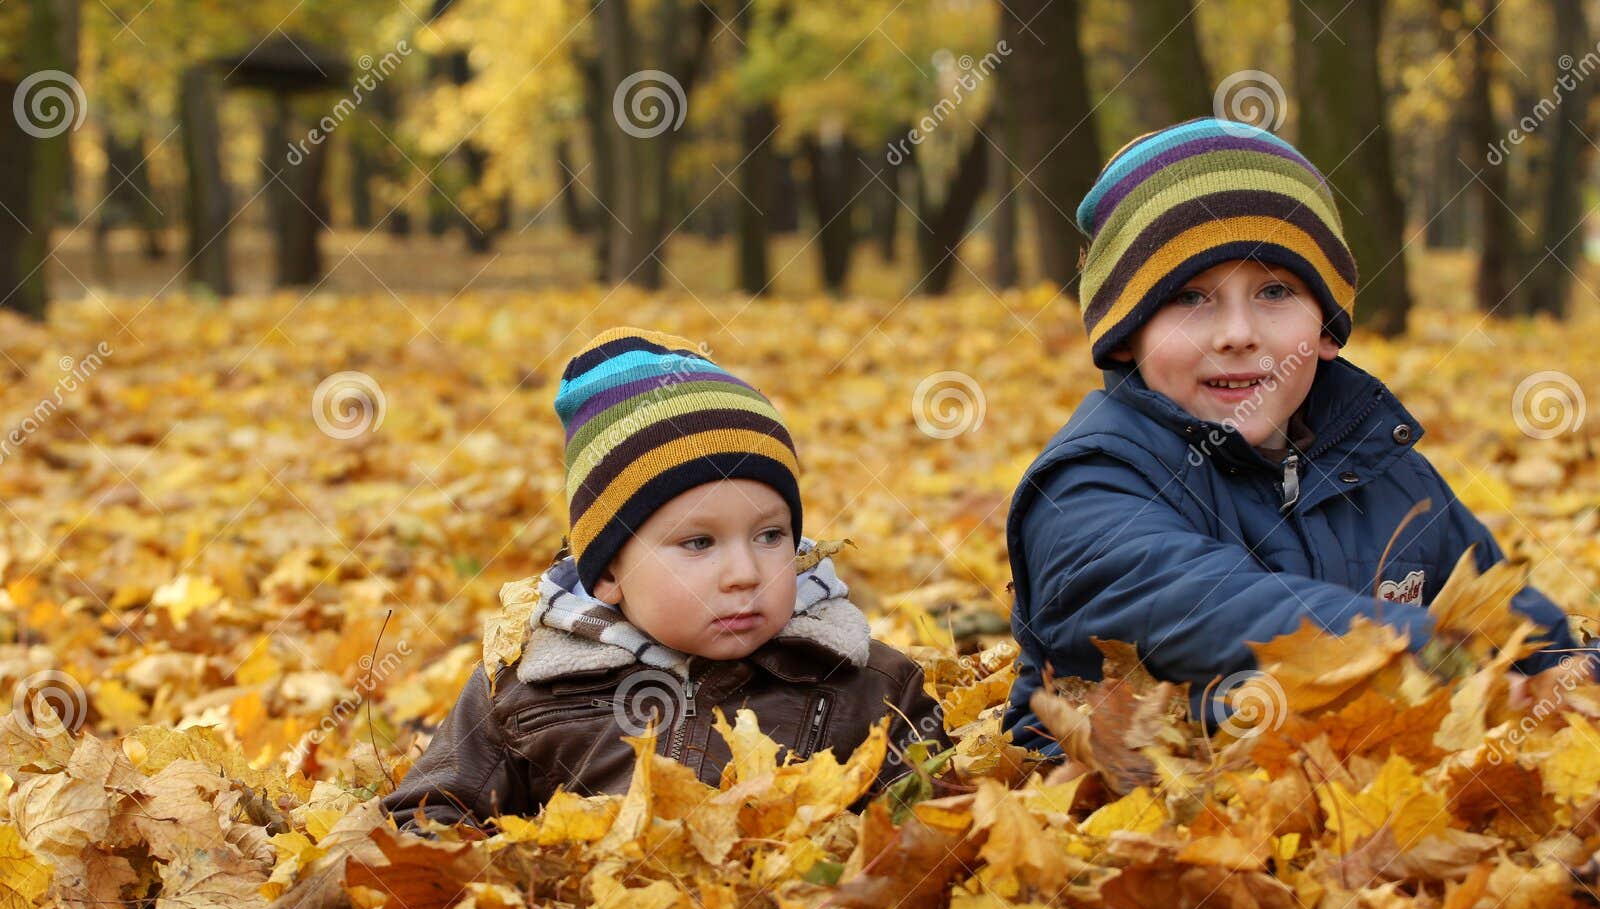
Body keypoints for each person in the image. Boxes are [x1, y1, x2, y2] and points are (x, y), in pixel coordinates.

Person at [1004, 118, 1594, 754]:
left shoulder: (1385, 471)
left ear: (1327, 331)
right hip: (1137, 829)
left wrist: (1572, 676)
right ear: (1125, 335)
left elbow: (1529, 633)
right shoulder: (1088, 485)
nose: (1237, 333)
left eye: (1275, 291)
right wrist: (1443, 657)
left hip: (1371, 816)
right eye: (1189, 297)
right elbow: (1217, 615)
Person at [384, 327, 948, 831]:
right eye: (698, 543)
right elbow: (427, 816)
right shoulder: (527, 687)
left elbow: (931, 833)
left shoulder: (868, 684)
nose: (745, 574)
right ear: (607, 572)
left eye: (771, 536)